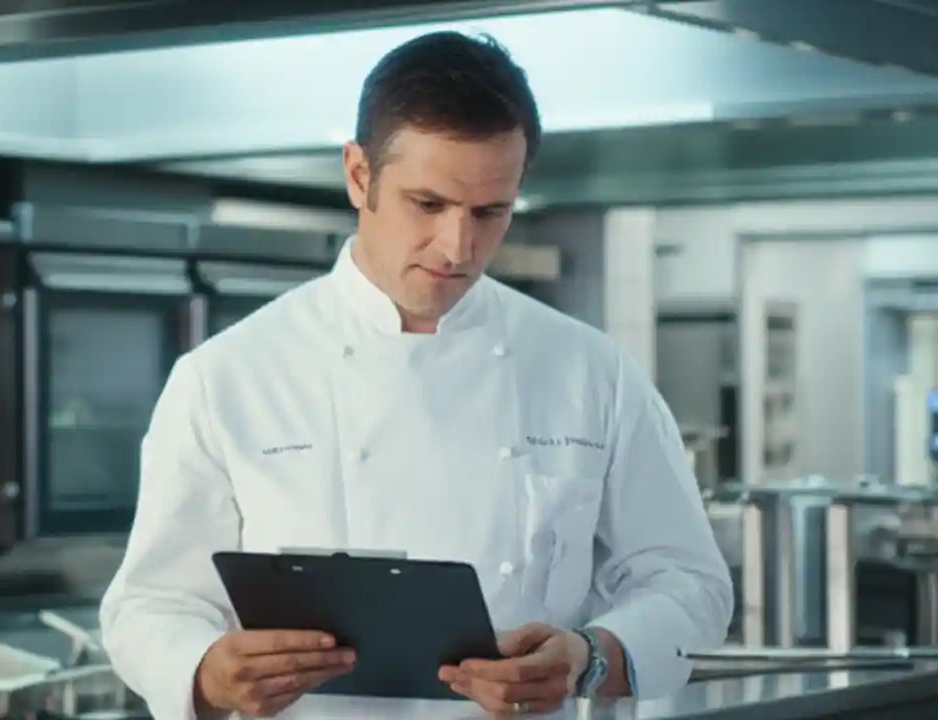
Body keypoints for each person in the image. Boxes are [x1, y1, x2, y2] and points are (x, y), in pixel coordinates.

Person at [99, 30, 733, 720]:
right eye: (428, 204)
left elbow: (690, 584)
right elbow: (149, 604)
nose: (458, 247)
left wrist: (591, 656)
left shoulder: (592, 373)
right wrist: (205, 672)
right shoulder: (228, 377)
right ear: (358, 175)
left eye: (490, 213)